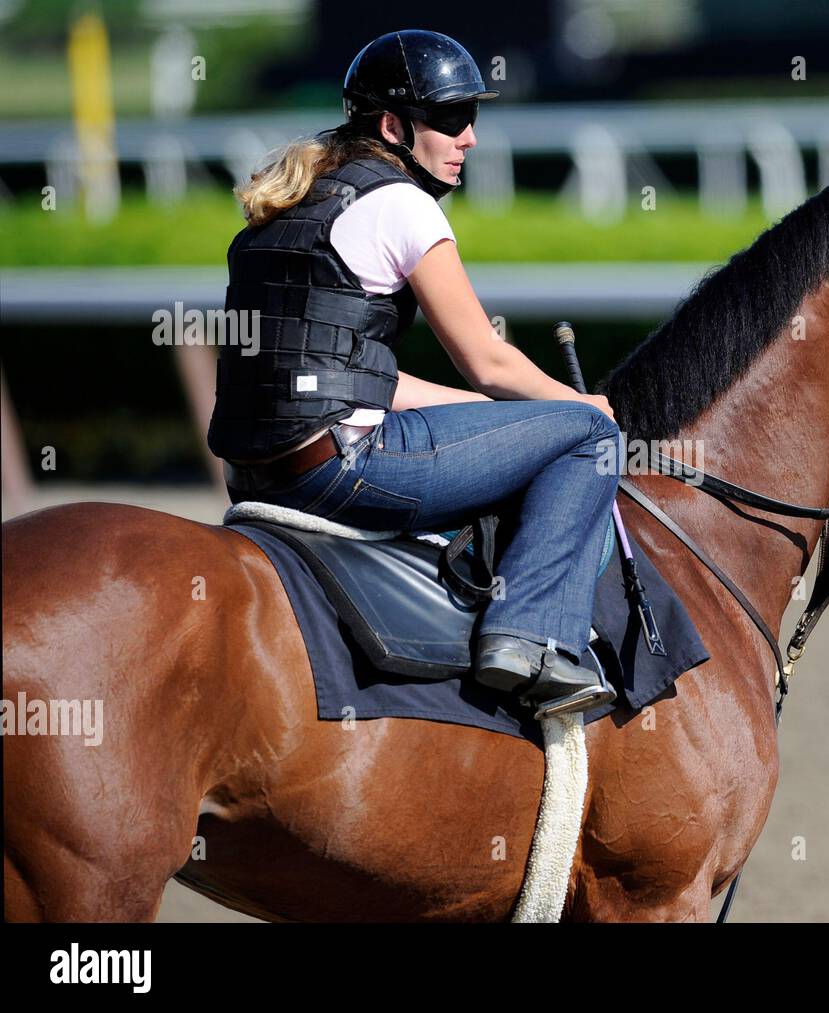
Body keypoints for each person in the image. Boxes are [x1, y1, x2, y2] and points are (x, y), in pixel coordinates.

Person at [208, 29, 619, 719]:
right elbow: (486, 358)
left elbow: (372, 378)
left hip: (254, 474)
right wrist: (582, 408)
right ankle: (533, 639)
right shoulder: (403, 204)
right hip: (341, 469)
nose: (470, 139)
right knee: (587, 439)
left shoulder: (296, 201)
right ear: (395, 126)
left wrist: (512, 422)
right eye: (453, 120)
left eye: (474, 119)